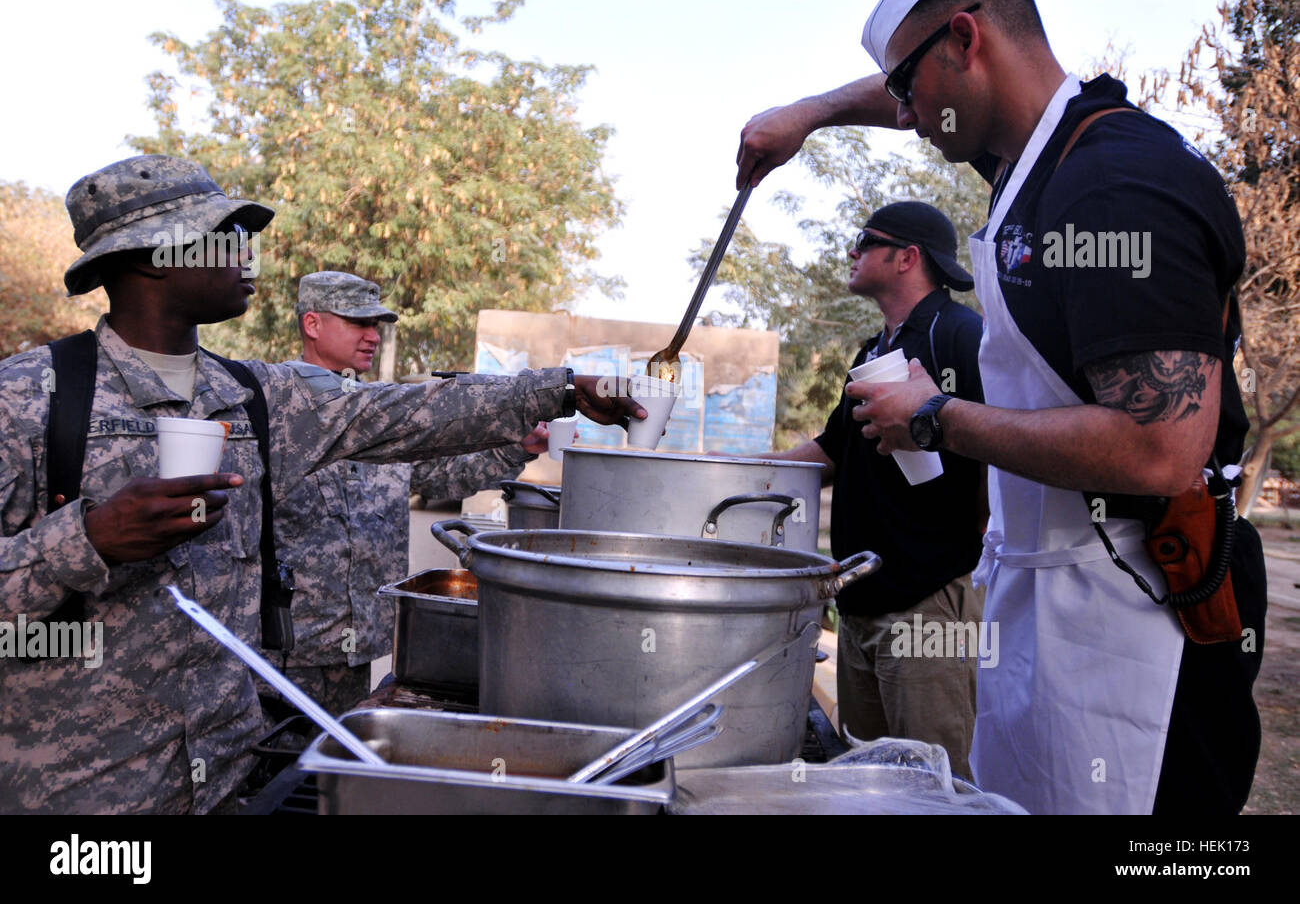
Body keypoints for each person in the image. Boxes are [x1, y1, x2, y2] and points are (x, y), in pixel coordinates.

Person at [735, 0, 1265, 815]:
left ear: (966, 39)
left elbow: (1162, 447)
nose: (905, 116)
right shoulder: (1031, 165)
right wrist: (814, 115)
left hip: (1146, 626)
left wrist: (939, 418)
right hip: (1046, 607)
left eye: (907, 87)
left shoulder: (1115, 183)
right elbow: (912, 101)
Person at [0, 154, 641, 813]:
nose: (246, 252)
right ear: (156, 258)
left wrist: (562, 387)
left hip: (227, 785)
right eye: (223, 234)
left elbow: (411, 412)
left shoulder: (262, 398)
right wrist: (89, 540)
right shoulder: (27, 399)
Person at [758, 202, 986, 780]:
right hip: (859, 598)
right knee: (866, 779)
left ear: (907, 257)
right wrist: (739, 472)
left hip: (928, 600)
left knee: (929, 782)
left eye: (865, 240)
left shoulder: (960, 335)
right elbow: (833, 451)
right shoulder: (873, 352)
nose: (851, 252)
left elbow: (1001, 452)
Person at [266, 271, 547, 716]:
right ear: (312, 324)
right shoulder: (272, 408)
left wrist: (517, 448)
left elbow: (443, 479)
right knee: (276, 774)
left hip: (356, 651)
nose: (372, 336)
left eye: (376, 325)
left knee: (336, 774)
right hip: (282, 659)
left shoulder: (383, 418)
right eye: (358, 323)